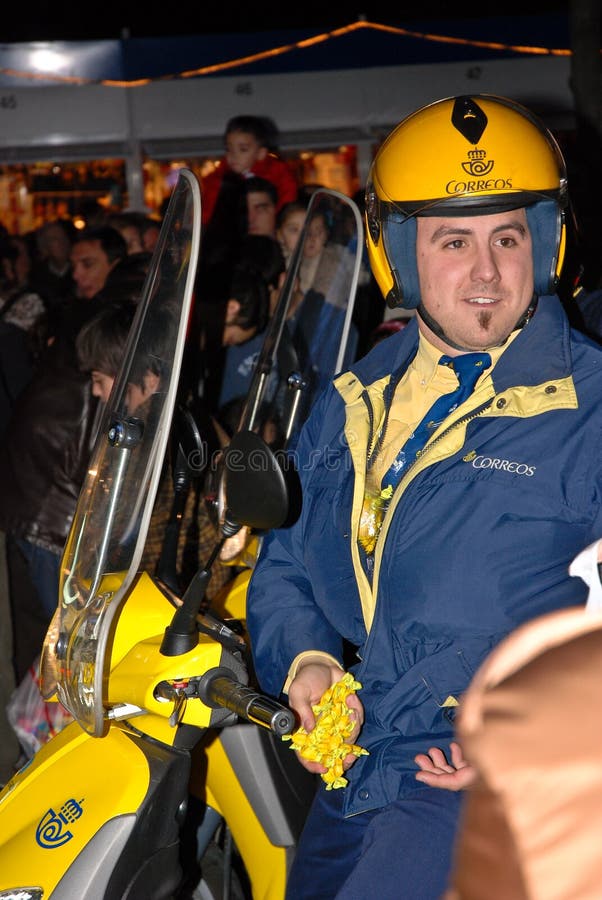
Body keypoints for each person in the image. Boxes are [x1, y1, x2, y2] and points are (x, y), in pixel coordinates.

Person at [246, 93, 602, 899]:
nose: (486, 272)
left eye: (509, 237)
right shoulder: (353, 399)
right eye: (453, 241)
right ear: (398, 255)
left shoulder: (589, 411)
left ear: (546, 246)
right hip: (360, 769)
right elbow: (291, 558)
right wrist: (306, 663)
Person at [201, 114, 298, 229]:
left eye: (243, 149)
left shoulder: (278, 174)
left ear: (261, 153)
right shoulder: (217, 180)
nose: (234, 155)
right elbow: (208, 217)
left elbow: (287, 207)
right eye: (229, 149)